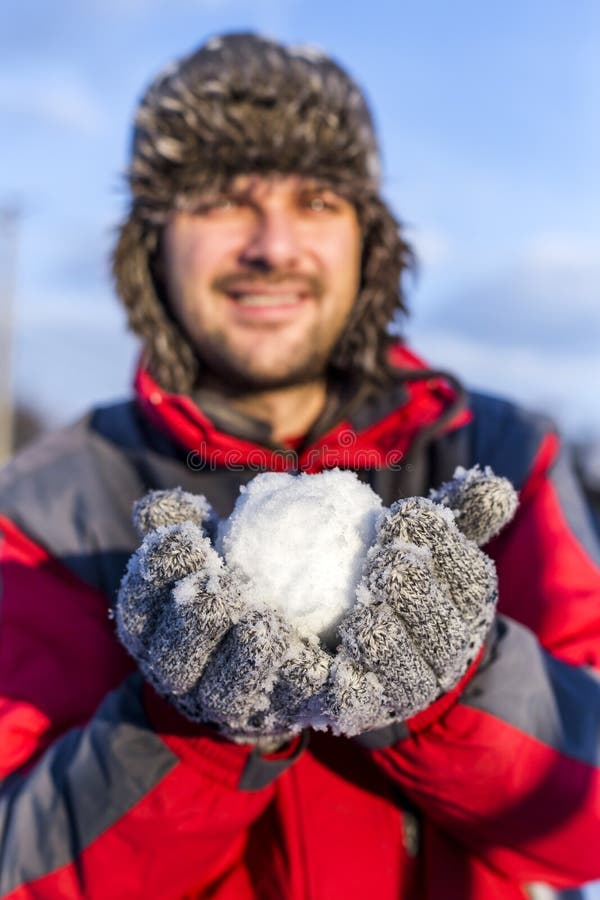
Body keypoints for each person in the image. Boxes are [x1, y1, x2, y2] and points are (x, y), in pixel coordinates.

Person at [1, 32, 599, 900]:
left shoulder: (502, 455)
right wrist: (186, 719)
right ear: (151, 247)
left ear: (369, 241)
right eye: (222, 199)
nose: (273, 244)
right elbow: (21, 868)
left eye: (317, 198)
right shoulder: (44, 510)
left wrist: (452, 683)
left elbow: (583, 828)